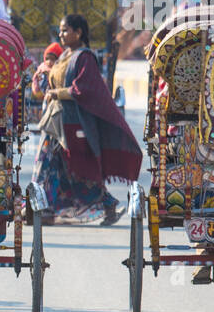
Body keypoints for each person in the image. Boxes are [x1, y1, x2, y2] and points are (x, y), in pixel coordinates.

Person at [32, 13, 142, 227]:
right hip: (55, 122)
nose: (61, 34)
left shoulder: (84, 57)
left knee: (80, 170)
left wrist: (58, 93)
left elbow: (85, 89)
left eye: (66, 30)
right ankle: (43, 208)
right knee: (49, 165)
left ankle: (107, 204)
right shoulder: (65, 55)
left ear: (78, 32)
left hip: (74, 124)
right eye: (61, 30)